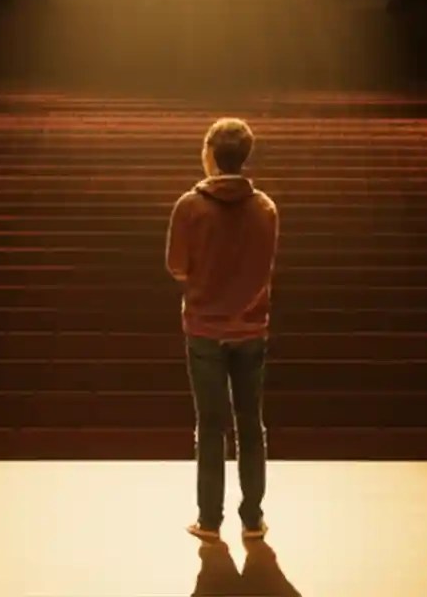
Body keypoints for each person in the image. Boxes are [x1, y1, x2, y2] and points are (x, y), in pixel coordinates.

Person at [166, 117, 279, 541]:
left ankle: (209, 519)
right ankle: (253, 518)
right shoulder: (266, 207)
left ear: (211, 153)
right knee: (251, 422)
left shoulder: (188, 207)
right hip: (251, 327)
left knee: (210, 424)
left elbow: (176, 266)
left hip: (203, 326)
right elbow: (265, 266)